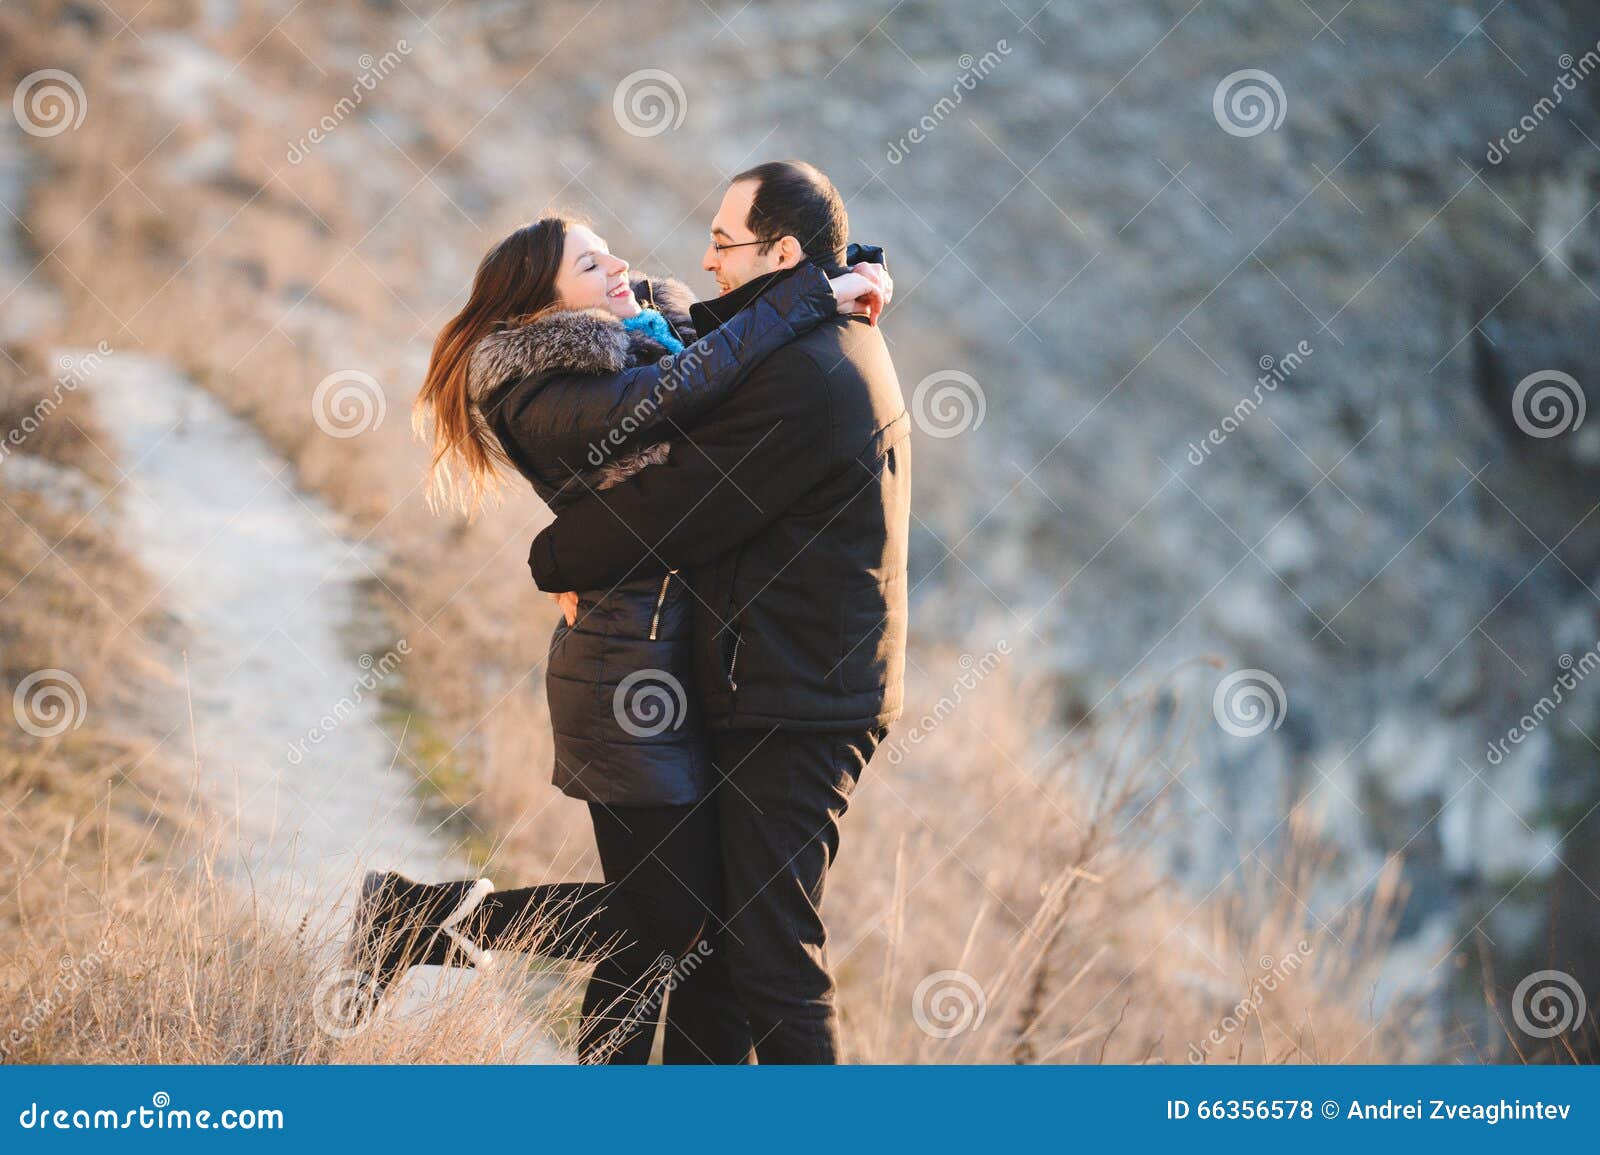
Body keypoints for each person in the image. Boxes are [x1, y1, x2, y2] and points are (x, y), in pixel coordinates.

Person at [338, 211, 889, 1063]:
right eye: (591, 265)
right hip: (624, 672)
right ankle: (414, 916)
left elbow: (717, 328)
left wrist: (848, 265)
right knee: (662, 919)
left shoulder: (638, 339)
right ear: (542, 310)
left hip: (669, 657)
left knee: (651, 935)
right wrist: (816, 291)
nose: (619, 265)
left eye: (608, 253)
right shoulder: (546, 392)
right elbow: (695, 378)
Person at [527, 161, 911, 1063]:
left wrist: (552, 558)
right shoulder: (812, 336)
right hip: (781, 686)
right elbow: (702, 337)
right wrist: (850, 266)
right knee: (721, 958)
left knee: (772, 959)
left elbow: (680, 507)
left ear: (782, 253)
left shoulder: (812, 375)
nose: (707, 261)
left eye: (723, 243)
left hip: (800, 703)